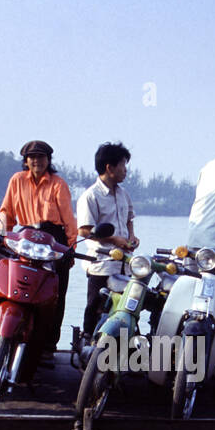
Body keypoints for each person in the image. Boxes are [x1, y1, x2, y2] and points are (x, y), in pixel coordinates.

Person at [0, 140, 79, 354]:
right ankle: (12, 336)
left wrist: (70, 249)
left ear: (48, 160)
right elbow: (6, 212)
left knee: (55, 293)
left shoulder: (57, 183)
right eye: (32, 157)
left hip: (53, 238)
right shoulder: (16, 181)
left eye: (41, 157)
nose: (37, 161)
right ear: (26, 160)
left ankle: (48, 345)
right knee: (16, 284)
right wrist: (1, 235)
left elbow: (69, 220)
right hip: (24, 236)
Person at [76, 141, 139, 335]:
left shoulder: (123, 194)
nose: (126, 171)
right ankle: (86, 345)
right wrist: (114, 239)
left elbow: (129, 218)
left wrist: (132, 237)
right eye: (122, 165)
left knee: (125, 308)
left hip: (124, 265)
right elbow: (84, 230)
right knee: (95, 307)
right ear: (109, 167)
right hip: (101, 262)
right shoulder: (90, 196)